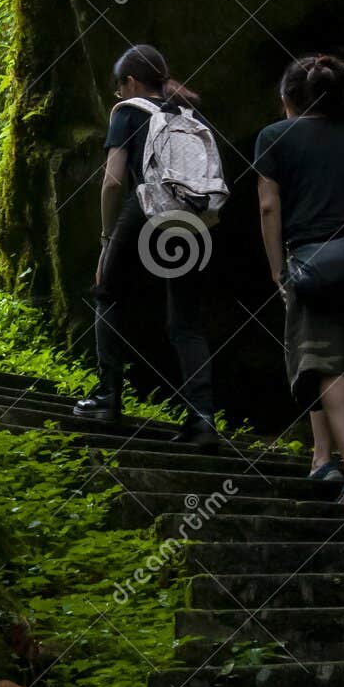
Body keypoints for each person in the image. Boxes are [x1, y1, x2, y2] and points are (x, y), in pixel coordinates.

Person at [253, 54, 344, 503]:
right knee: (324, 360)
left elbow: (268, 207)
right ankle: (322, 459)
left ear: (288, 100)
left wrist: (279, 270)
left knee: (328, 366)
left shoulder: (274, 138)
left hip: (311, 269)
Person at [73, 44, 220, 449]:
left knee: (108, 294)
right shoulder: (190, 115)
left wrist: (106, 241)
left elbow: (114, 181)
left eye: (118, 87)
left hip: (148, 207)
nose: (117, 96)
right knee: (186, 320)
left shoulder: (128, 111)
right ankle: (202, 419)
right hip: (191, 219)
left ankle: (107, 397)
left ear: (131, 82)